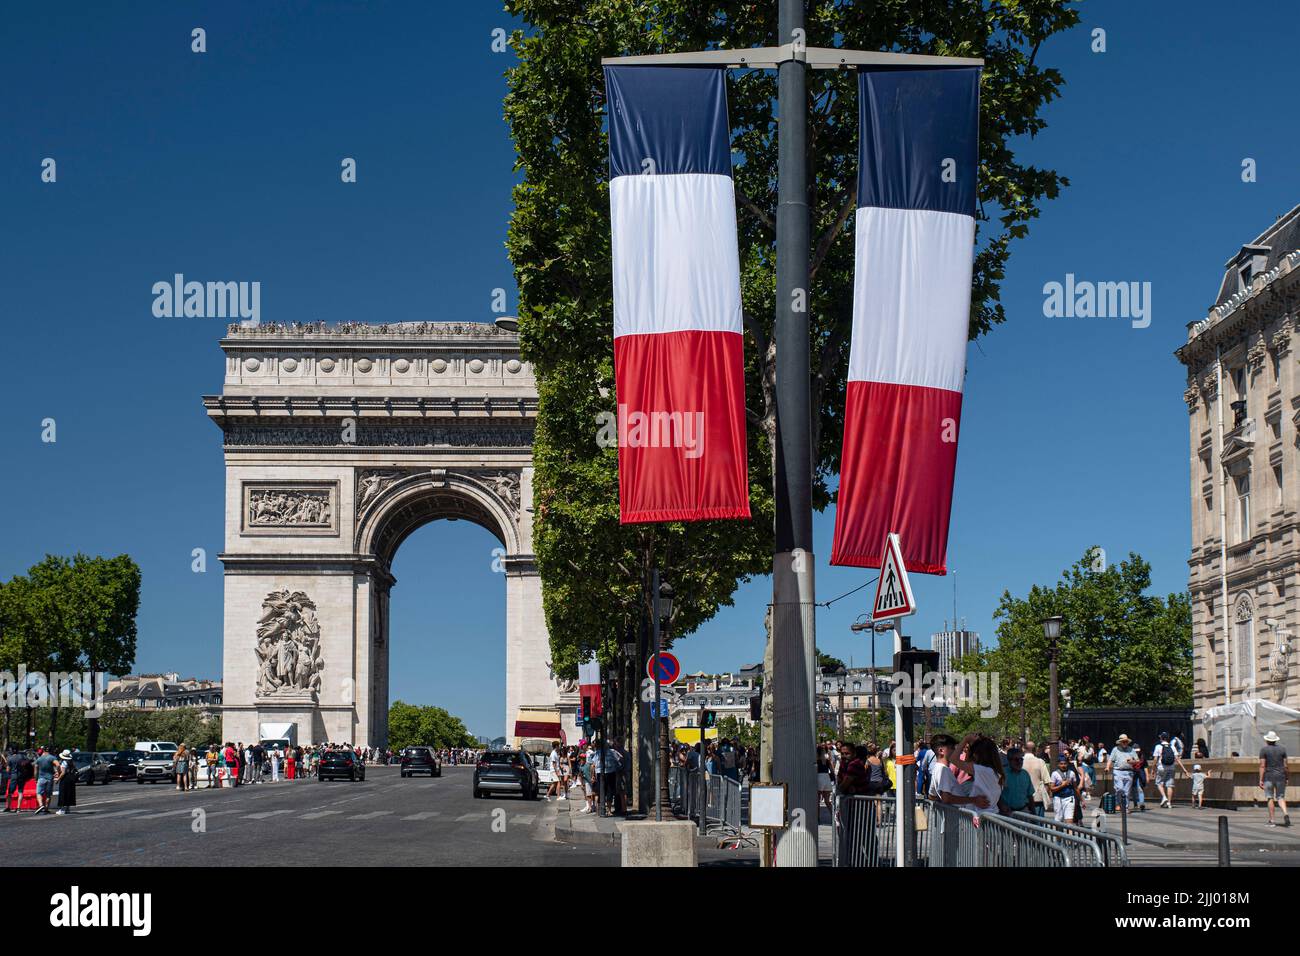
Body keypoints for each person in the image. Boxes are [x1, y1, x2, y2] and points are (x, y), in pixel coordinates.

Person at [927, 734, 989, 810]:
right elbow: (946, 798)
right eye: (952, 748)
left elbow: (932, 795)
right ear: (941, 751)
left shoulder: (937, 768)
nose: (955, 750)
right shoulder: (943, 770)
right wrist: (974, 800)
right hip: (955, 818)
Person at [966, 736, 1004, 818]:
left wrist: (966, 740)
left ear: (978, 755)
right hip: (992, 816)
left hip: (980, 817)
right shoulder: (996, 772)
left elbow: (953, 759)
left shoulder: (981, 770)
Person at [1259, 730, 1291, 827]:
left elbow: (1262, 765)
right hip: (1281, 775)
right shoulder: (1282, 749)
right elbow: (1285, 766)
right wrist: (1287, 777)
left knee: (1270, 797)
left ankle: (1272, 820)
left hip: (1269, 776)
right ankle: (1285, 813)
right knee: (1280, 797)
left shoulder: (1264, 750)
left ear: (1267, 740)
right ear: (1275, 740)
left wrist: (1261, 779)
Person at [1151, 732, 1188, 808]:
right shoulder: (1172, 747)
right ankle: (1169, 803)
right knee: (1169, 785)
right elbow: (1177, 759)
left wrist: (1153, 769)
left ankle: (1164, 797)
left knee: (1159, 783)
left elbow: (1155, 759)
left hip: (1162, 767)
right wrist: (1184, 769)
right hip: (1171, 768)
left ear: (1161, 738)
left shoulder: (1158, 746)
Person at [998, 747, 1035, 815]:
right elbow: (996, 793)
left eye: (1021, 759)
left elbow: (1030, 795)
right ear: (1009, 760)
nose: (1020, 762)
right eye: (1016, 759)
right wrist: (1001, 805)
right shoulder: (1002, 774)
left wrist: (1033, 813)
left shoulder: (1025, 774)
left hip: (1024, 811)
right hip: (1007, 813)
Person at [1107, 733, 1138, 813]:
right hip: (1118, 771)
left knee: (1127, 791)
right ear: (1120, 742)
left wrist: (1132, 761)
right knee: (1119, 789)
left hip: (1129, 772)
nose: (1125, 743)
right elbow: (1110, 759)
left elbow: (1137, 760)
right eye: (1123, 741)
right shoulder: (1115, 749)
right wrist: (1107, 767)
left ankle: (1125, 807)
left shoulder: (1131, 749)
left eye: (1126, 741)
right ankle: (1119, 803)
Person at [1021, 741, 1051, 817]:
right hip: (1038, 798)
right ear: (1035, 750)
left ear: (1023, 749)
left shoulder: (1019, 762)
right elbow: (1047, 782)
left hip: (1022, 799)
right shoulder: (1040, 762)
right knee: (1038, 825)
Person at [1048, 752, 1078, 823]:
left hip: (1069, 797)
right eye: (1061, 764)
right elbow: (1052, 789)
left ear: (1067, 764)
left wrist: (1082, 800)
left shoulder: (1072, 773)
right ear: (1058, 764)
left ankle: (1069, 834)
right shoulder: (1054, 774)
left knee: (1069, 819)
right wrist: (1062, 785)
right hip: (1058, 798)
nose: (1063, 765)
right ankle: (1058, 834)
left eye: (1065, 763)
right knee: (1059, 819)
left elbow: (1075, 788)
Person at [34, 747, 57, 815]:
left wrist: (35, 778)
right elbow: (58, 765)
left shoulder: (39, 758)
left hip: (41, 778)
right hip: (50, 778)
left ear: (43, 751)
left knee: (38, 793)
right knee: (48, 795)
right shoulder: (52, 758)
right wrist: (57, 772)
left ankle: (41, 805)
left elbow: (35, 769)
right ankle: (46, 809)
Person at [53, 749, 76, 815]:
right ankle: (67, 809)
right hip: (71, 779)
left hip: (65, 779)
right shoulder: (71, 761)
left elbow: (63, 772)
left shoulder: (64, 762)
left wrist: (58, 779)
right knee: (69, 793)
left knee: (63, 793)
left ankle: (62, 809)